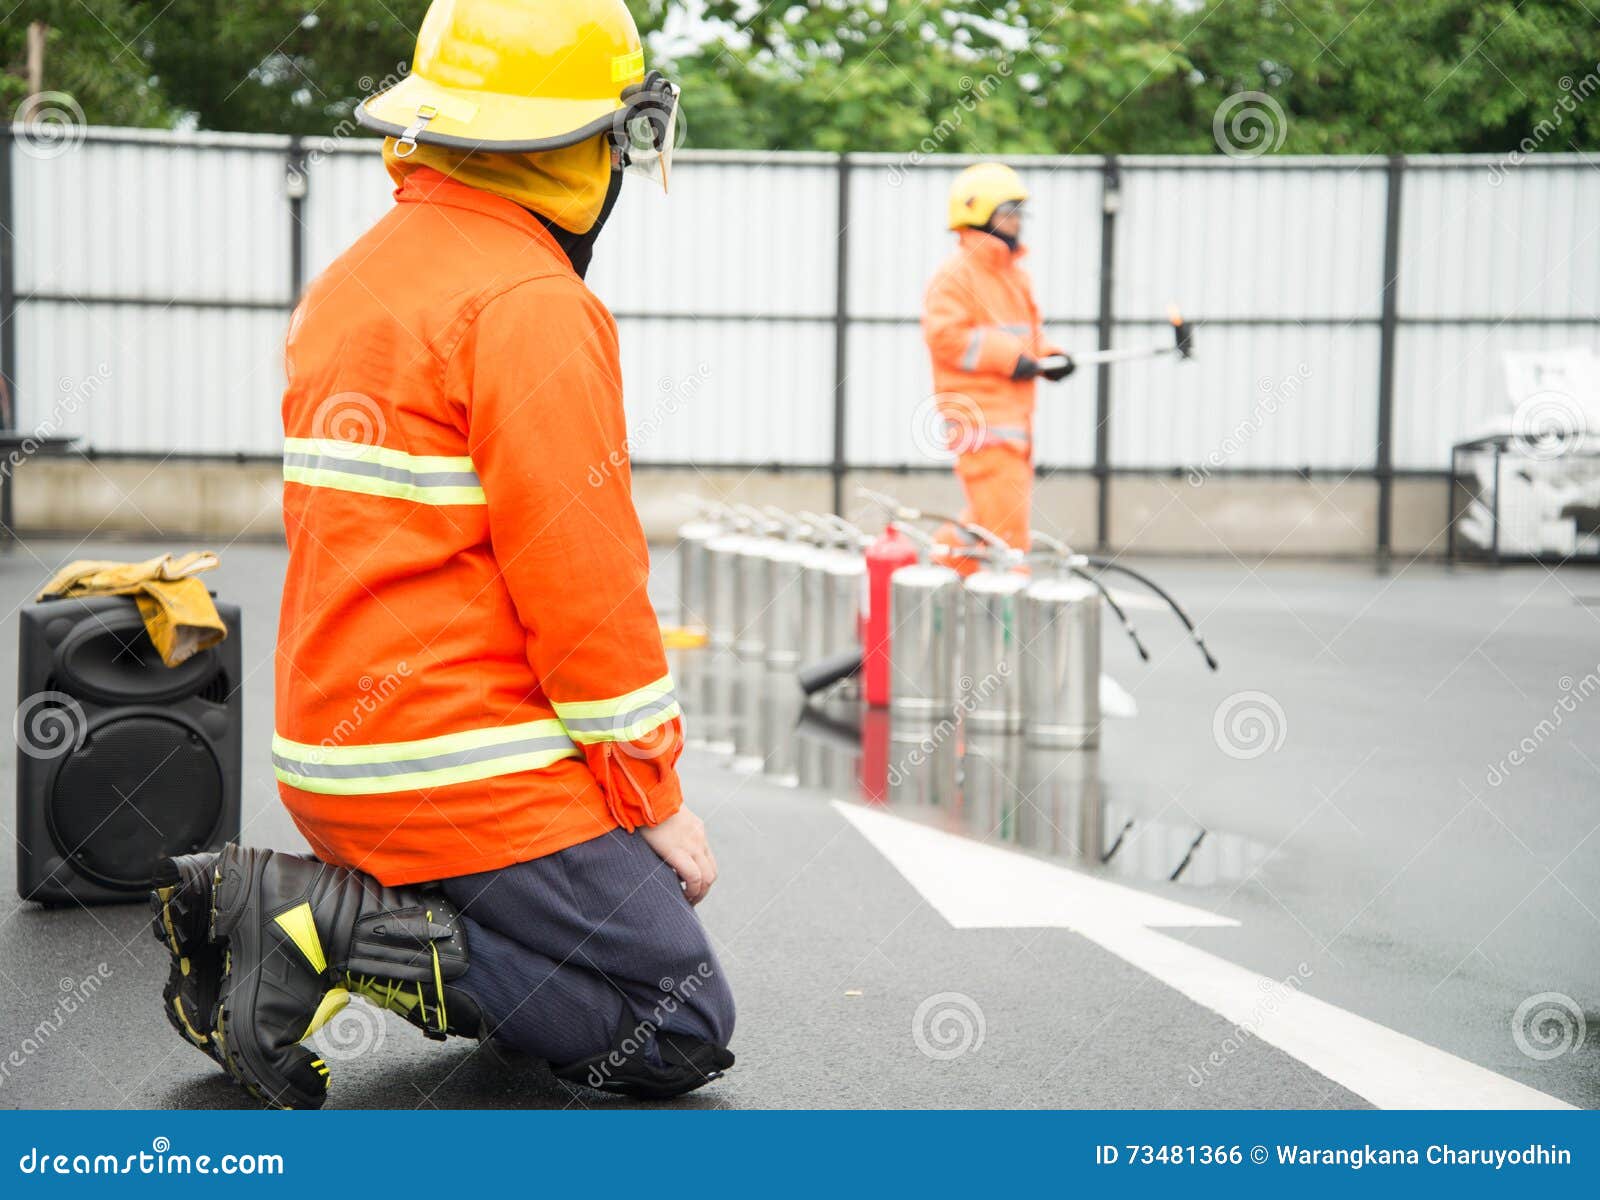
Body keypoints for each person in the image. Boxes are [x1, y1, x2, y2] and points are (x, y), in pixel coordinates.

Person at [148, 0, 734, 1110]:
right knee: (672, 1023)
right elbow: (583, 586)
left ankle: (343, 920)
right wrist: (649, 796)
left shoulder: (356, 279)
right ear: (585, 144)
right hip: (453, 769)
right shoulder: (530, 301)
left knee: (584, 975)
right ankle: (319, 931)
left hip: (339, 755)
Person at [922, 163, 1075, 572]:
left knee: (981, 526)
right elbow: (947, 337)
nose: (1017, 221)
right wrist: (1013, 359)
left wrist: (1051, 358)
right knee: (1007, 534)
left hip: (1012, 425)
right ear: (979, 214)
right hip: (981, 425)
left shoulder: (1015, 278)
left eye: (1019, 212)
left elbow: (1029, 338)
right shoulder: (955, 275)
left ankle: (936, 580)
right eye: (1008, 211)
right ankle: (1013, 620)